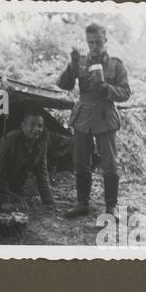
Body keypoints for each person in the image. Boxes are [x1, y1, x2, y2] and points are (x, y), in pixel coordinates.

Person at [57, 22, 131, 217]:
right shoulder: (80, 61)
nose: (95, 46)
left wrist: (107, 88)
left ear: (105, 40)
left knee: (110, 163)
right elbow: (63, 85)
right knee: (81, 162)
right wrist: (71, 66)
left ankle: (111, 206)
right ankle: (82, 203)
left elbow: (125, 92)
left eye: (98, 42)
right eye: (91, 42)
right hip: (83, 116)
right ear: (87, 42)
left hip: (105, 117)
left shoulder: (116, 64)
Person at [0, 109, 54, 209]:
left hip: (15, 186)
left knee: (24, 204)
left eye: (40, 126)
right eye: (32, 125)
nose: (37, 129)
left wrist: (48, 201)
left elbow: (42, 172)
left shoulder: (40, 143)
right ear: (23, 126)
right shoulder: (10, 139)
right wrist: (5, 200)